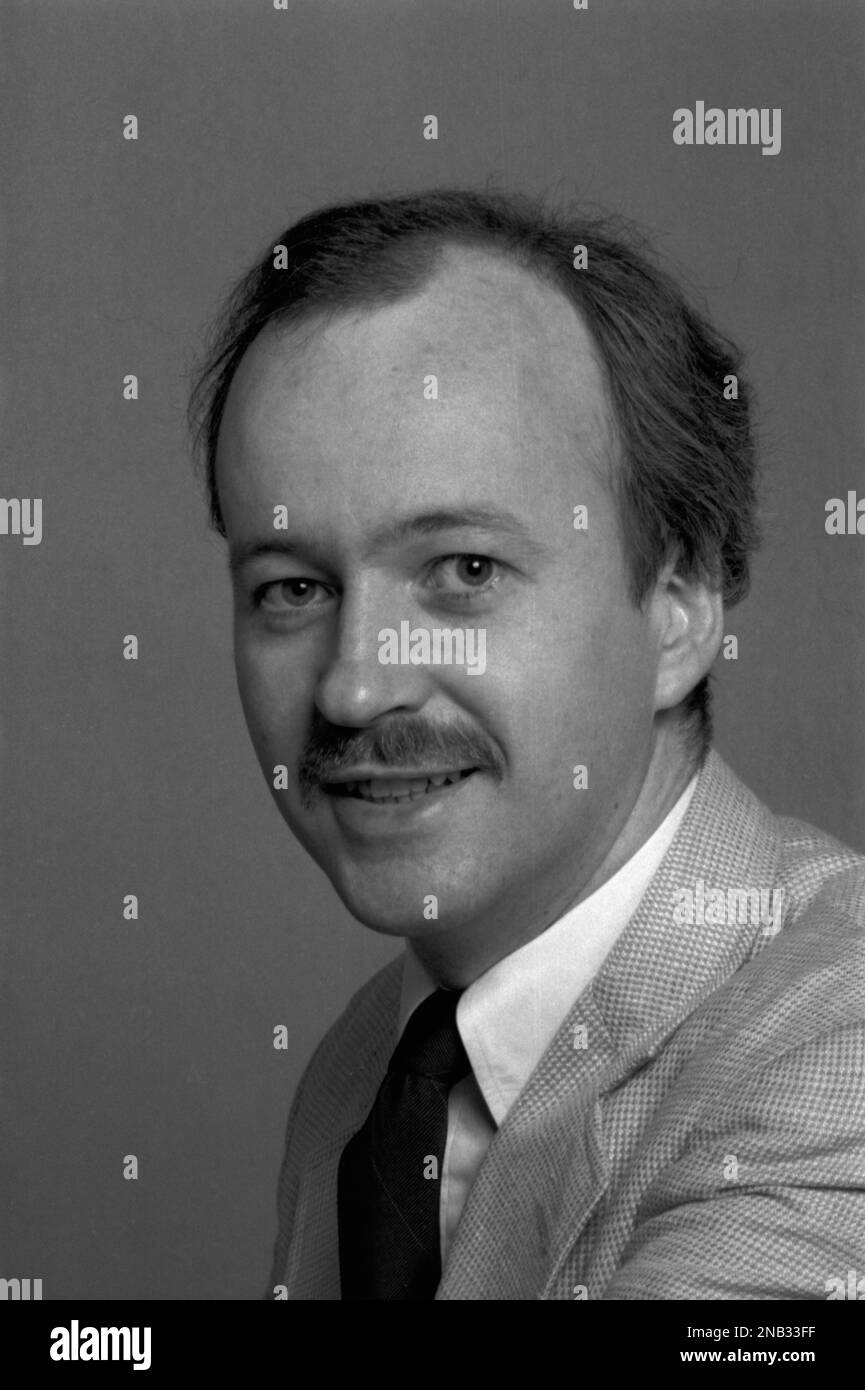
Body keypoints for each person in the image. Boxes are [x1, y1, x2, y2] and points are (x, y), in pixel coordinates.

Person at [189, 189, 865, 1301]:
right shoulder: (366, 1077)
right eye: (294, 587)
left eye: (462, 572)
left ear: (681, 603)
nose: (356, 684)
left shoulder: (835, 1049)